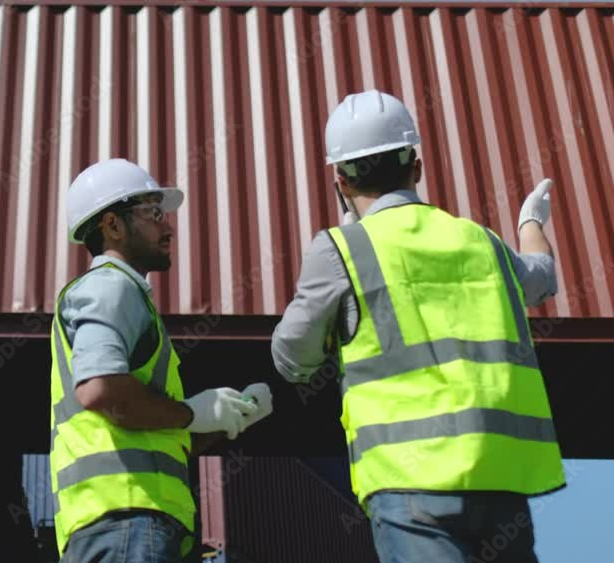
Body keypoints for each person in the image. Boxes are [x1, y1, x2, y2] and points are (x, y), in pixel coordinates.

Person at [271, 90, 565, 563]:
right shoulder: (481, 241)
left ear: (340, 181)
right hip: (500, 477)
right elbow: (542, 277)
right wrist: (530, 221)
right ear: (418, 168)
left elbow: (291, 358)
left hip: (409, 481)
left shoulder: (341, 250)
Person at [50, 158, 274, 562]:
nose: (167, 227)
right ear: (112, 225)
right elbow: (99, 389)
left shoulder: (122, 296)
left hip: (124, 521)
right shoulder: (111, 288)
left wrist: (222, 418)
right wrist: (192, 413)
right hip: (128, 520)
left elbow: (150, 437)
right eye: (153, 214)